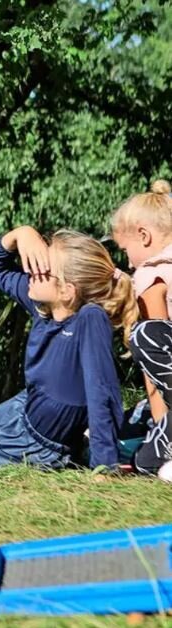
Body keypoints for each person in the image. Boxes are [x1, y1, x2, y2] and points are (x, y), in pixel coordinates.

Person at [0, 226, 136, 471]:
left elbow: (101, 390)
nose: (31, 270)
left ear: (67, 291)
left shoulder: (90, 319)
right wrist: (21, 234)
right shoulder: (42, 306)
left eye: (43, 267)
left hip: (35, 447)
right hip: (22, 409)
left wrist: (104, 464)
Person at [111, 179, 172, 474]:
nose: (129, 261)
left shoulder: (150, 275)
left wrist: (162, 426)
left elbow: (157, 365)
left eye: (125, 250)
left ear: (144, 236)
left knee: (145, 464)